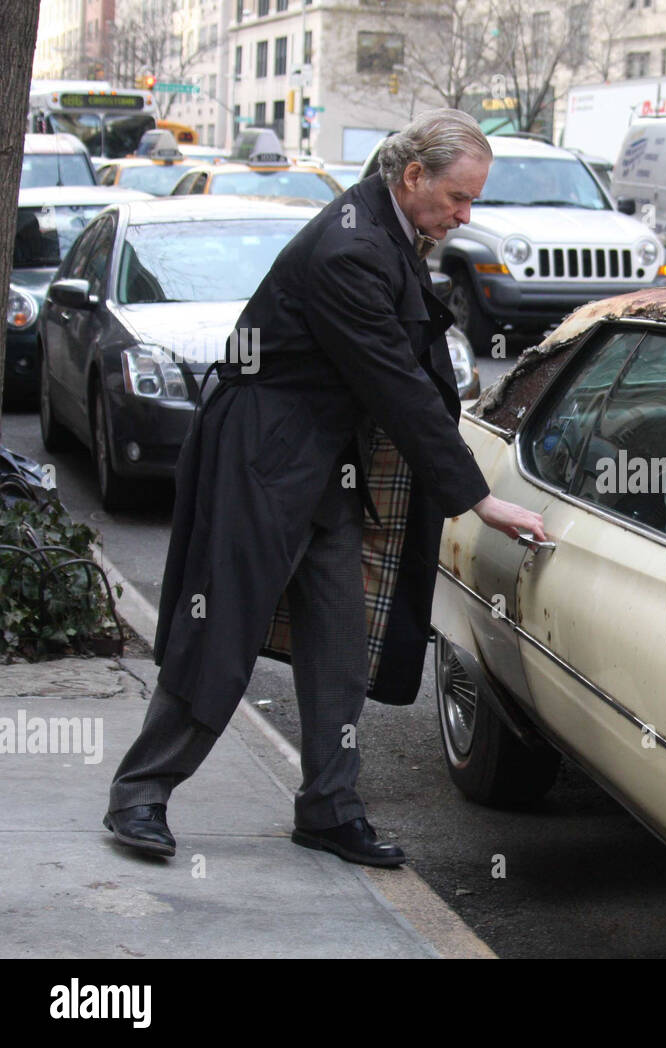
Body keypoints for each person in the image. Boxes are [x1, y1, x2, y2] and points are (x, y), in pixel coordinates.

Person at [103, 110, 545, 867]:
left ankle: (329, 810)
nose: (466, 216)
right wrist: (479, 499)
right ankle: (139, 794)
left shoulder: (384, 223)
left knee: (341, 642)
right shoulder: (351, 248)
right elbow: (396, 383)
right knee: (221, 626)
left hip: (325, 463)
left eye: (473, 200)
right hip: (263, 455)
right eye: (458, 198)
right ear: (414, 176)